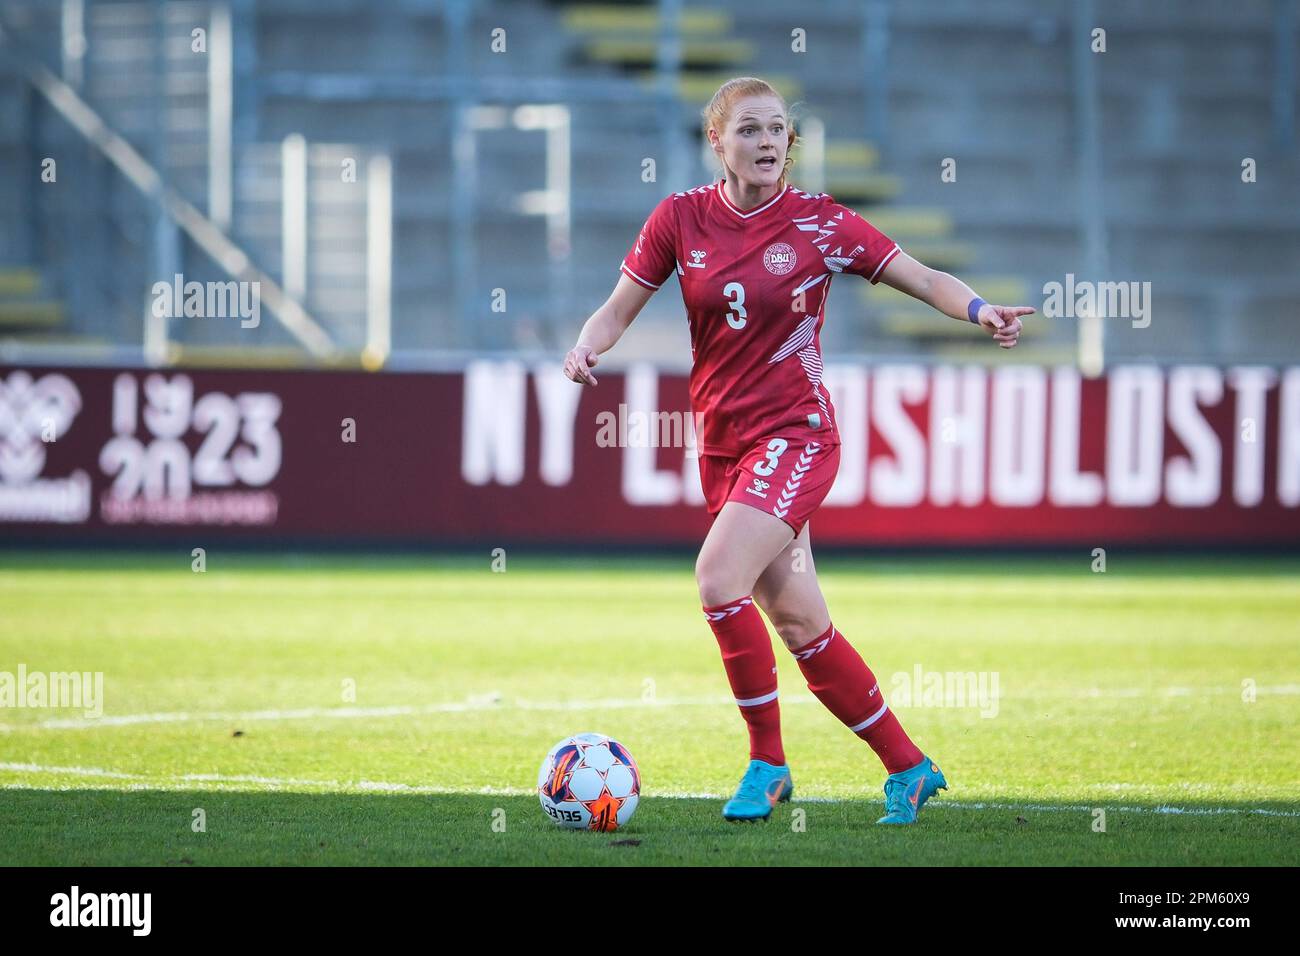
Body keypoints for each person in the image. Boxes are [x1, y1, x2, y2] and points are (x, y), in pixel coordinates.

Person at [563, 76, 1032, 824]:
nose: (769, 142)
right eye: (749, 129)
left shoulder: (820, 224)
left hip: (796, 435)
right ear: (716, 141)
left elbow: (918, 276)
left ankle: (767, 764)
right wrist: (586, 347)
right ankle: (909, 768)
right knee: (802, 627)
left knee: (718, 580)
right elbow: (619, 307)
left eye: (779, 129)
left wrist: (979, 310)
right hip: (721, 447)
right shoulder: (679, 218)